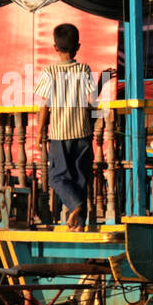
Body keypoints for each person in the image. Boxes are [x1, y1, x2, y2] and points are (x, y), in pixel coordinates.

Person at [34, 24, 97, 231]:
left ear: (55, 47)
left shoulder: (50, 71)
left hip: (60, 134)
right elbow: (92, 100)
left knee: (56, 176)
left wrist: (40, 131)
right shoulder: (83, 69)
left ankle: (76, 206)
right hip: (83, 132)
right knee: (80, 176)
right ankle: (78, 224)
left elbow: (44, 106)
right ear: (77, 47)